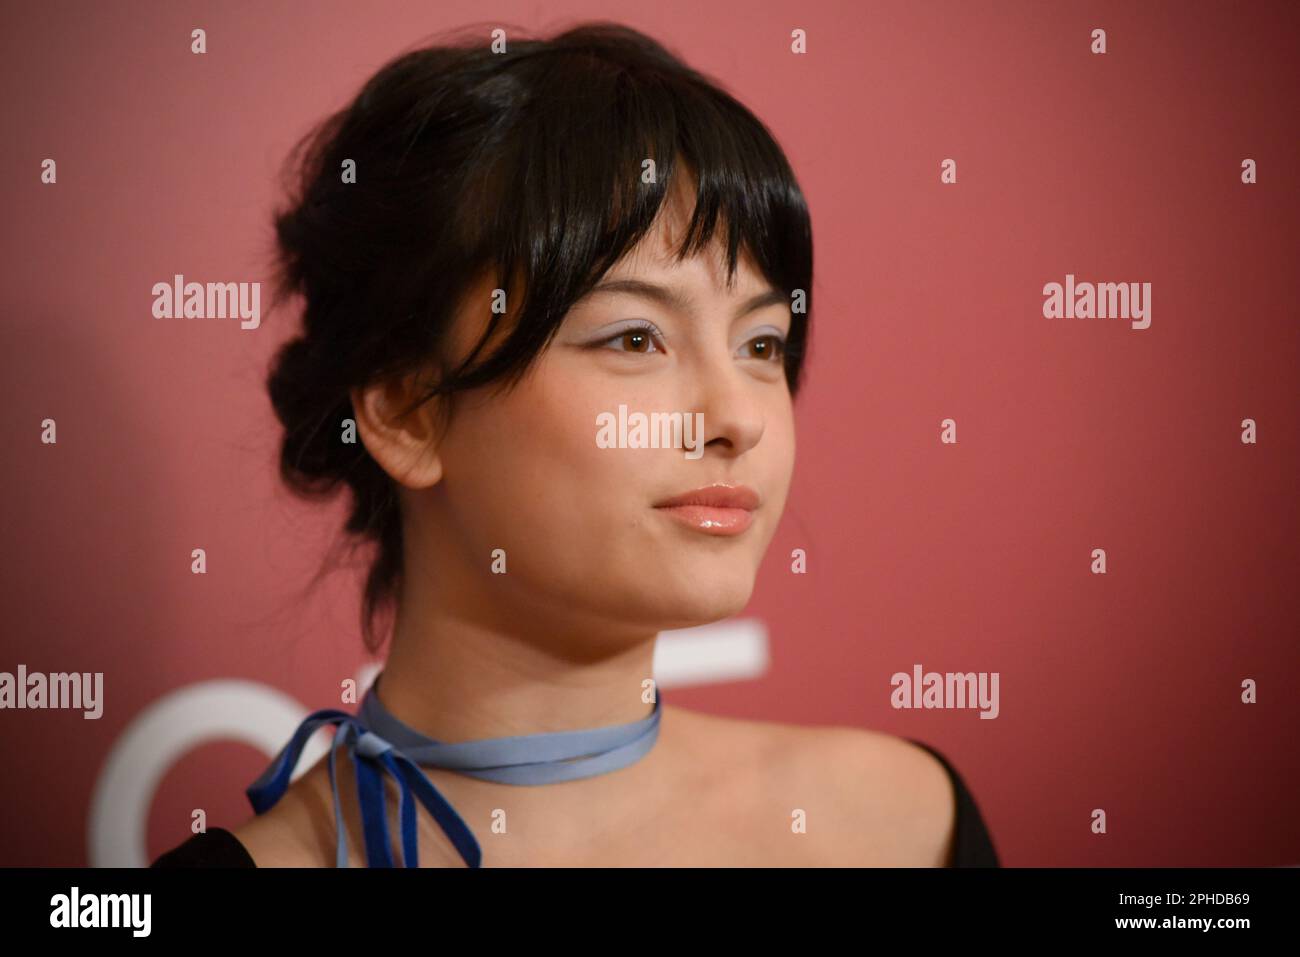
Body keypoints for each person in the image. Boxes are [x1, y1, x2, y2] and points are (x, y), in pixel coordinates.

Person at [153, 20, 999, 868]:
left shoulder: (903, 827)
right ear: (408, 410)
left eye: (762, 344)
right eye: (635, 338)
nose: (738, 417)